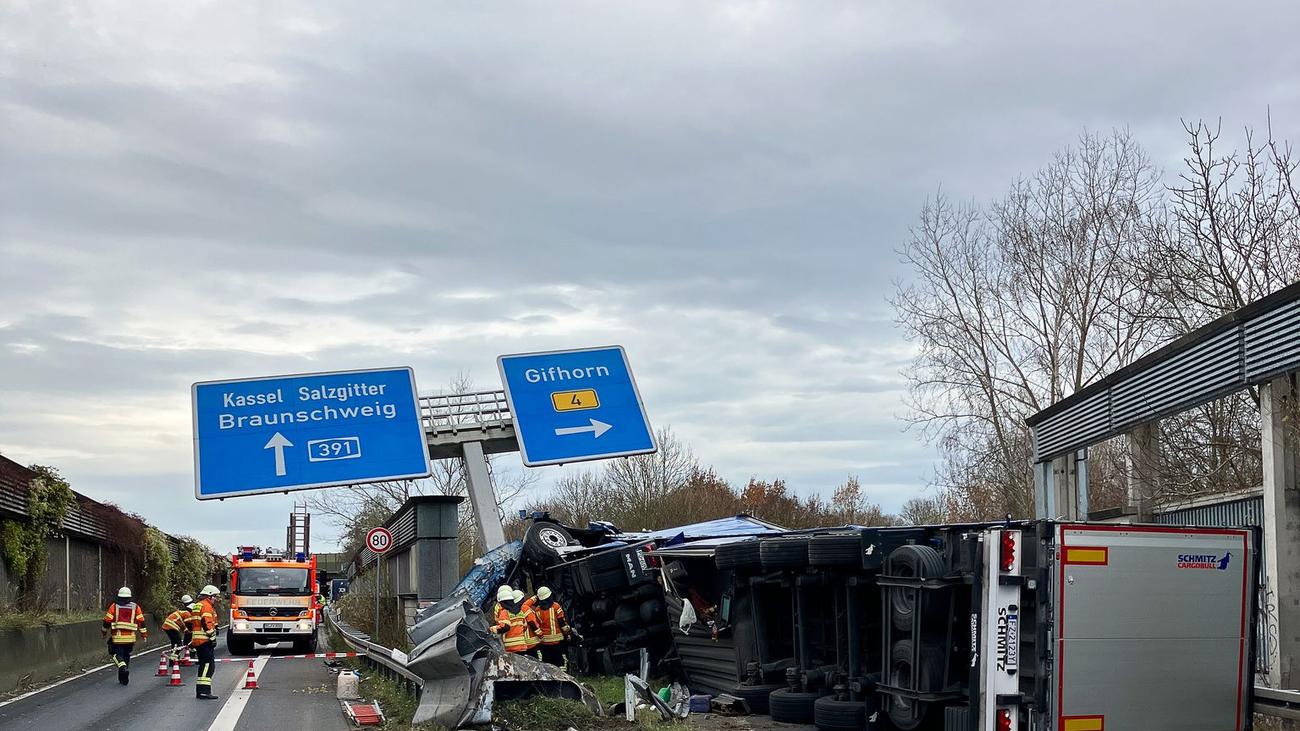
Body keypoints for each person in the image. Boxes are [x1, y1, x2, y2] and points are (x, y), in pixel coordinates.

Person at [102, 586, 147, 685]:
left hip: (117, 638)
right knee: (126, 655)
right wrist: (144, 635)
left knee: (116, 654)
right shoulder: (136, 607)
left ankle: (123, 668)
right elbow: (141, 622)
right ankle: (123, 677)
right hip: (130, 639)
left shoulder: (114, 606)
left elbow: (107, 621)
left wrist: (104, 632)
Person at [190, 585, 221, 700]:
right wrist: (213, 638)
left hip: (198, 640)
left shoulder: (197, 605)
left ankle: (201, 691)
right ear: (209, 596)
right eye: (214, 597)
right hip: (204, 640)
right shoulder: (206, 606)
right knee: (208, 666)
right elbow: (206, 623)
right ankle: (204, 691)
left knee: (203, 665)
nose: (215, 599)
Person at [490, 586, 540, 654]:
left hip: (510, 647)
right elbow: (524, 627)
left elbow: (505, 627)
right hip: (522, 645)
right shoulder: (520, 611)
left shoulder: (504, 612)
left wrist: (492, 629)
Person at [533, 586, 571, 666]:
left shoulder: (537, 610)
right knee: (560, 662)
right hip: (558, 641)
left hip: (544, 641)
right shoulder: (556, 606)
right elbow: (562, 623)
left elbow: (537, 625)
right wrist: (568, 634)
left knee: (548, 664)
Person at [161, 594, 194, 664]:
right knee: (178, 643)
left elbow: (182, 623)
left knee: (175, 642)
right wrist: (190, 631)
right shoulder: (187, 613)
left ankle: (174, 658)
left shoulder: (182, 612)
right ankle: (173, 659)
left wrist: (186, 630)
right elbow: (188, 624)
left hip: (168, 626)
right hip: (171, 626)